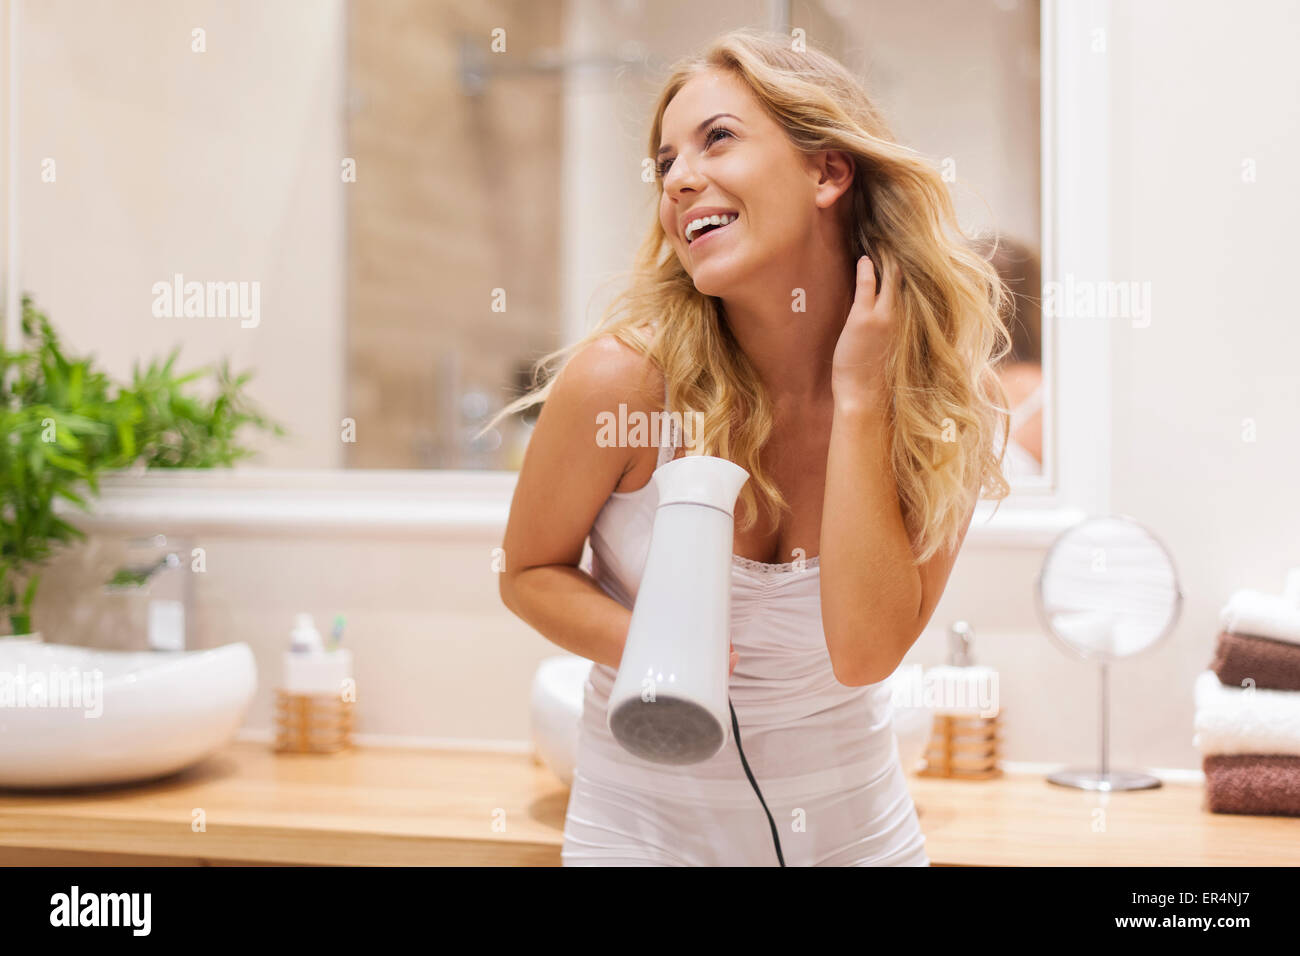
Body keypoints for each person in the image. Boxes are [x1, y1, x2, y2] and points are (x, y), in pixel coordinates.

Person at [491, 28, 1013, 866]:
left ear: (827, 170)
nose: (679, 178)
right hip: (642, 836)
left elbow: (866, 653)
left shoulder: (942, 403)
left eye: (717, 138)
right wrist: (661, 646)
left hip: (860, 839)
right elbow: (525, 573)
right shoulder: (624, 384)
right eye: (664, 162)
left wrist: (864, 398)